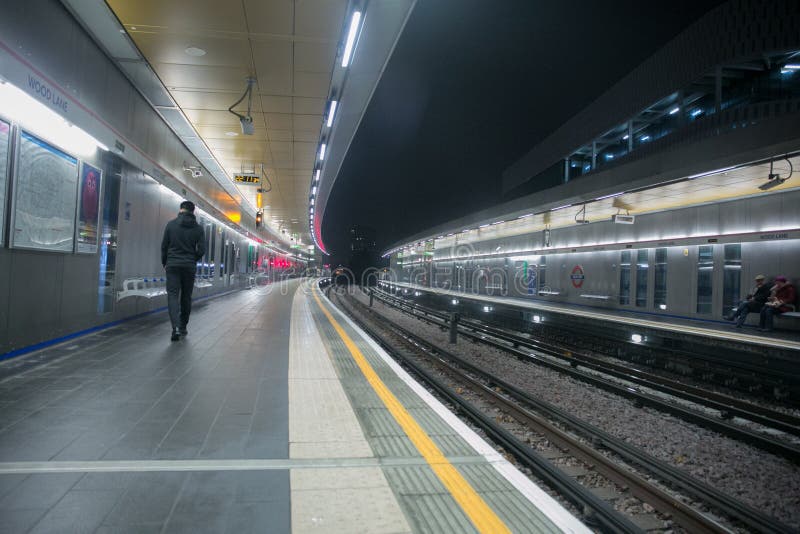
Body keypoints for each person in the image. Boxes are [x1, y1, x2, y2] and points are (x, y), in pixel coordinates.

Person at [161, 200, 206, 341]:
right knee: (186, 296)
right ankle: (183, 327)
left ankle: (174, 328)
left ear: (180, 209)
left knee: (173, 295)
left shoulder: (171, 225)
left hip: (172, 265)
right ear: (193, 212)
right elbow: (202, 250)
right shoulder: (198, 229)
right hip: (189, 266)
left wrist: (165, 262)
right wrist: (192, 259)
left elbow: (164, 247)